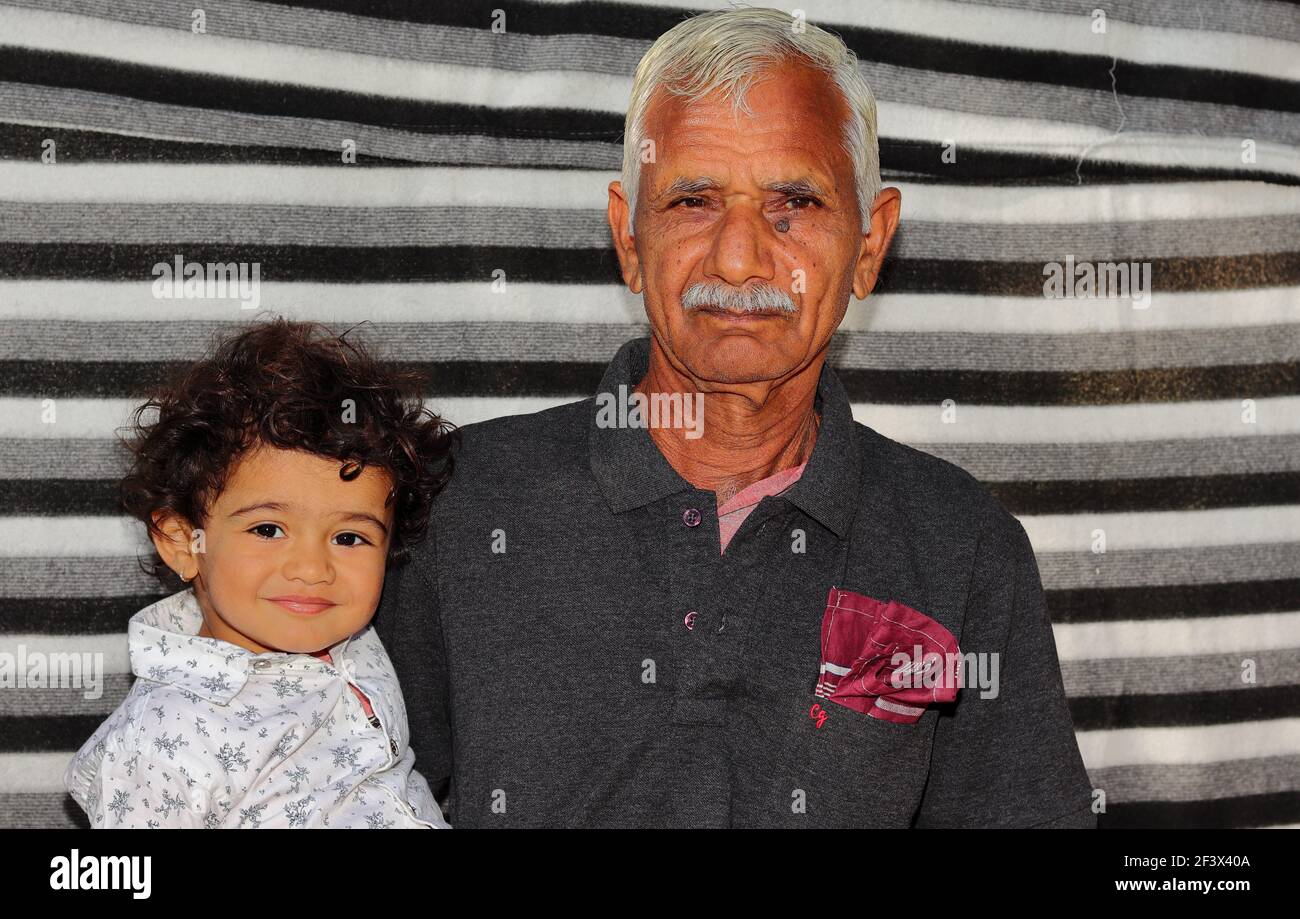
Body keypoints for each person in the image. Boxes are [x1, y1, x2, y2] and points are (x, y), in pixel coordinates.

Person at [374, 7, 1096, 827]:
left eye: (794, 201)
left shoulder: (961, 547)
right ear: (628, 236)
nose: (741, 257)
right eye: (692, 200)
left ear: (869, 244)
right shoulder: (453, 508)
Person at [65, 319, 457, 828]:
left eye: (349, 538)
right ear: (183, 541)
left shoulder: (357, 644)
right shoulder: (164, 739)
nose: (313, 569)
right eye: (268, 530)